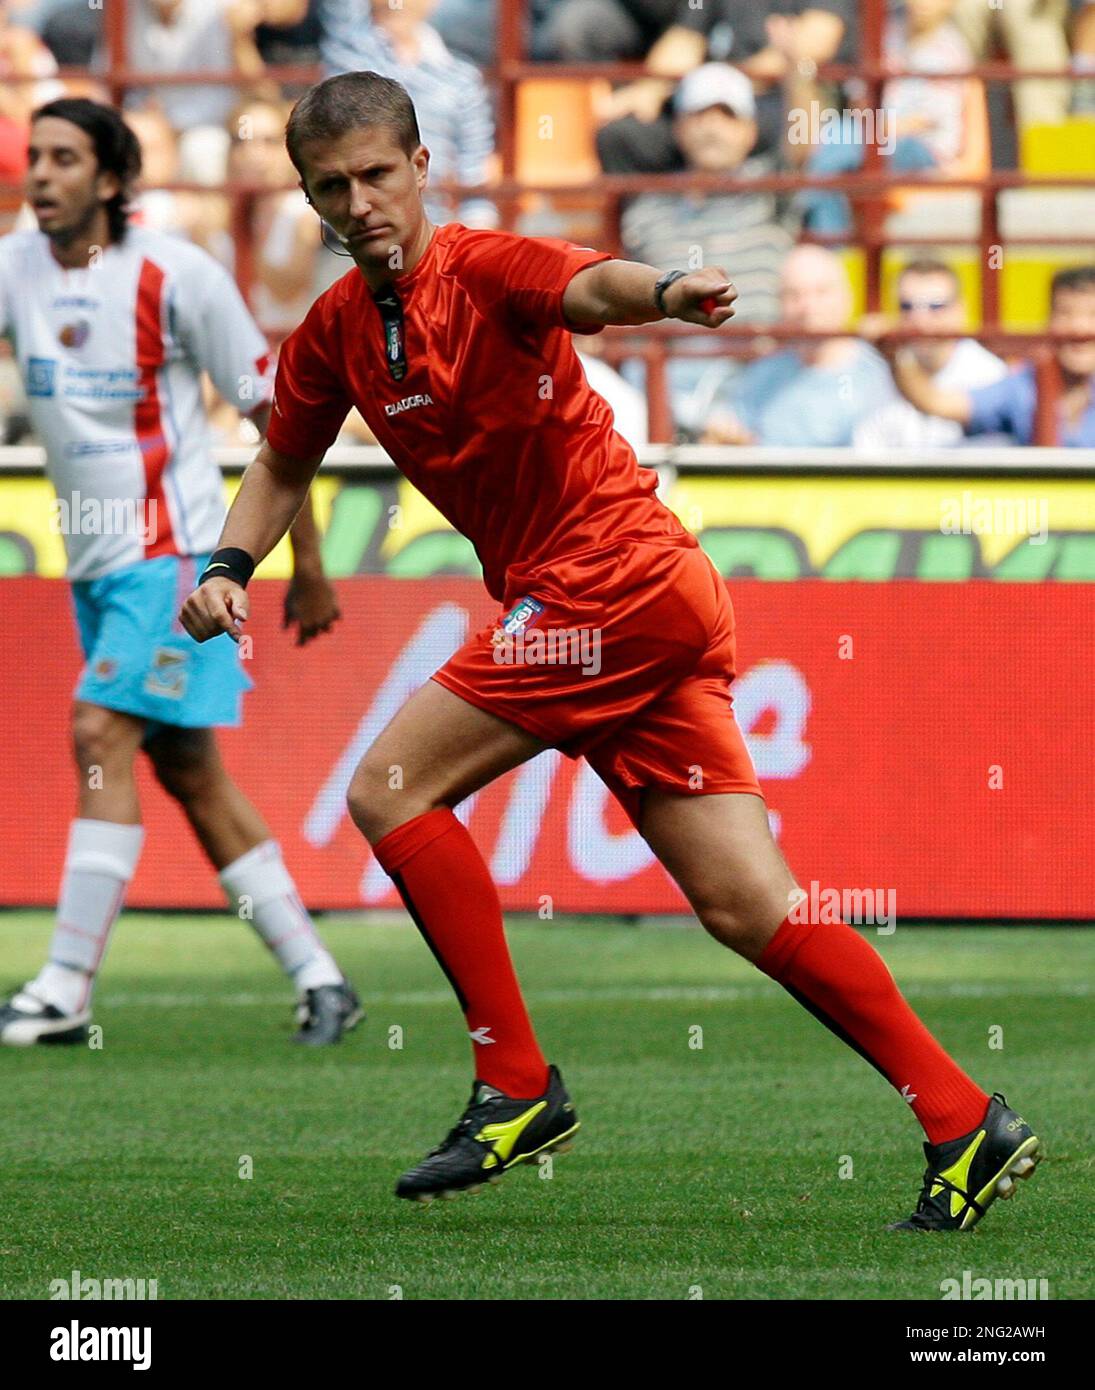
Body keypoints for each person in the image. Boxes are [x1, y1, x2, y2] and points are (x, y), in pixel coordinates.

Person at [181, 72, 1041, 1230]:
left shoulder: (485, 267)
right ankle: (961, 1119)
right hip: (639, 604)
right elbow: (284, 460)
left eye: (380, 173)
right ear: (312, 198)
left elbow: (590, 284)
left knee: (389, 791)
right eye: (334, 186)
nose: (362, 200)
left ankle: (517, 1083)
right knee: (749, 906)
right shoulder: (335, 332)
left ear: (424, 167)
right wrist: (227, 567)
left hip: (612, 585)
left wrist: (672, 288)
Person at [0, 98, 360, 1047]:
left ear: (112, 179)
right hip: (94, 565)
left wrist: (305, 569)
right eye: (34, 157)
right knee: (191, 773)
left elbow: (277, 424)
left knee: (98, 730)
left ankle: (65, 989)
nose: (39, 174)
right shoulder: (13, 266)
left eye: (64, 159)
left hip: (175, 561)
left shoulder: (176, 273)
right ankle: (322, 979)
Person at [620, 63, 794, 434]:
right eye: (700, 115)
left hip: (759, 368)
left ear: (750, 131)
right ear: (679, 128)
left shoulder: (773, 192)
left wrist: (798, 69)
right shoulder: (646, 207)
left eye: (727, 116)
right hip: (668, 372)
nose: (712, 128)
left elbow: (807, 139)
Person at [319, 0, 496, 228]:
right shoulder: (348, 44)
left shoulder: (462, 78)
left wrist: (474, 247)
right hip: (350, 222)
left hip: (428, 226)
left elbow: (474, 174)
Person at [880, 264, 1095, 446]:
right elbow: (936, 402)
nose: (1078, 328)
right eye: (1065, 313)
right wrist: (895, 355)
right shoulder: (1023, 385)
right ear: (1048, 321)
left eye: (1092, 315)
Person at [703, 243, 896, 446]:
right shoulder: (762, 375)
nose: (808, 307)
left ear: (846, 297)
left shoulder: (882, 372)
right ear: (779, 303)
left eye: (821, 292)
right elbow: (720, 441)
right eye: (794, 295)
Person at [853, 258, 1007, 451]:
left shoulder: (989, 374)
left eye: (935, 307)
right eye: (906, 307)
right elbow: (863, 452)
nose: (920, 319)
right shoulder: (873, 368)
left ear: (960, 310)